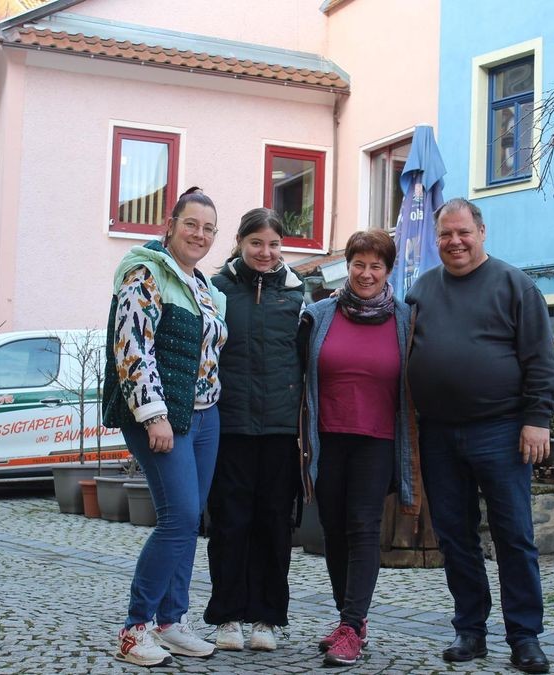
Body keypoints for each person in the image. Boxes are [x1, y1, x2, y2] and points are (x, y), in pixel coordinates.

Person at [405, 197, 554, 674]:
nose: (455, 242)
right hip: (437, 433)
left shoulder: (515, 286)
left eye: (463, 233)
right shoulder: (421, 290)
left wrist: (538, 418)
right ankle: (470, 630)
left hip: (502, 430)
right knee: (455, 538)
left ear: (482, 232)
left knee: (514, 536)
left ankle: (525, 636)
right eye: (445, 234)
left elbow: (540, 358)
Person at [102, 187, 228, 667]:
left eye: (208, 228)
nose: (199, 234)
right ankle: (135, 629)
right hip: (162, 416)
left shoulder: (202, 286)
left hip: (205, 415)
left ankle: (171, 622)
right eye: (191, 224)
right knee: (178, 518)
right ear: (170, 225)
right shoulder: (145, 273)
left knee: (189, 521)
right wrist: (153, 415)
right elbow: (132, 346)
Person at [298, 230, 416, 667]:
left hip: (377, 439)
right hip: (327, 437)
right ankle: (350, 622)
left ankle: (351, 624)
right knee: (332, 528)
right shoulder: (319, 315)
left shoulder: (405, 319)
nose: (366, 274)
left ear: (388, 270)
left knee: (363, 527)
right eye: (359, 265)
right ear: (347, 266)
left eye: (376, 266)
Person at [204, 207, 304, 652]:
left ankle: (267, 617)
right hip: (231, 426)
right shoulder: (216, 290)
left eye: (274, 244)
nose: (266, 252)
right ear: (240, 243)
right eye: (256, 243)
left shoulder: (298, 295)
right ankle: (227, 616)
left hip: (281, 430)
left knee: (274, 524)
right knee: (230, 523)